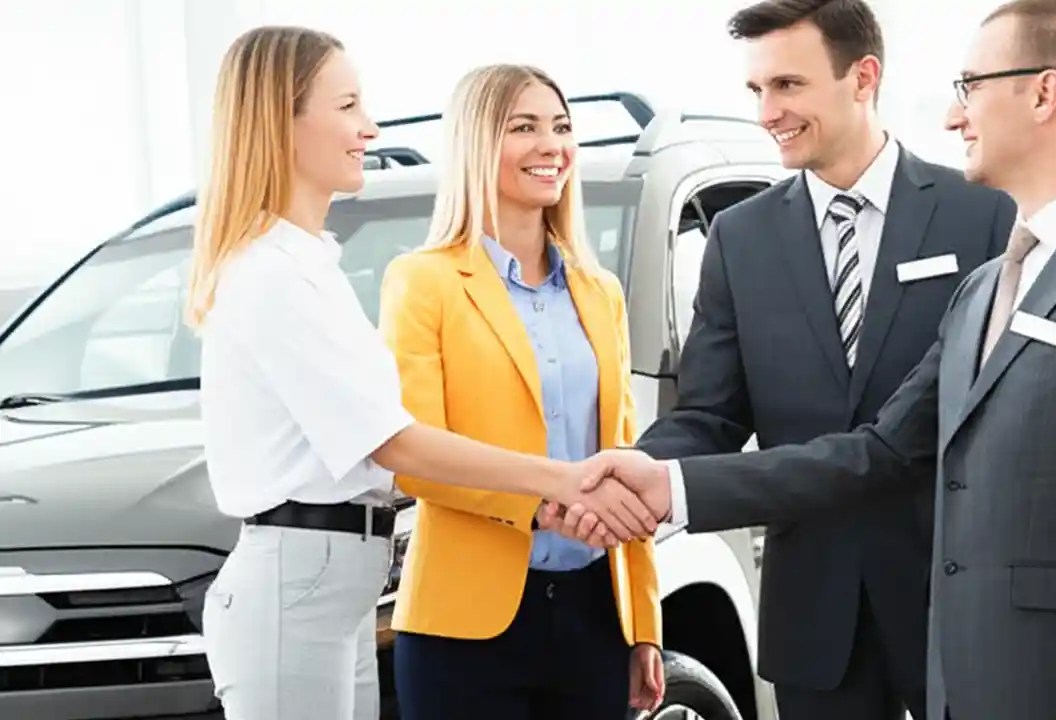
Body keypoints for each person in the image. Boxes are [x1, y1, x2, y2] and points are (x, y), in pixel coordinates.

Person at [566, 1, 1056, 718]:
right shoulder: (983, 283)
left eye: (971, 88)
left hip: (1006, 651)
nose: (953, 118)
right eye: (756, 90)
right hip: (851, 634)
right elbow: (870, 446)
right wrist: (653, 481)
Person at [187, 28, 654, 720]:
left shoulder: (310, 265)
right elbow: (397, 443)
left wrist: (640, 618)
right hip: (313, 575)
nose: (368, 127)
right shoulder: (276, 275)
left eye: (560, 126)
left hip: (341, 574)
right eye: (347, 106)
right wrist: (560, 482)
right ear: (280, 119)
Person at [595, 1, 1014, 717]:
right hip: (815, 616)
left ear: (863, 77)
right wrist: (631, 478)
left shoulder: (982, 213)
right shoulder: (740, 238)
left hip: (956, 600)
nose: (768, 112)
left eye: (787, 85)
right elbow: (708, 416)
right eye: (757, 91)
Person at [378, 63, 665, 719]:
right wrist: (543, 499)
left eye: (562, 128)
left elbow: (623, 457)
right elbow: (414, 456)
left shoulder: (600, 293)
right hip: (463, 626)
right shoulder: (423, 283)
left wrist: (642, 621)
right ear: (477, 143)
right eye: (524, 127)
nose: (551, 146)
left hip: (597, 614)